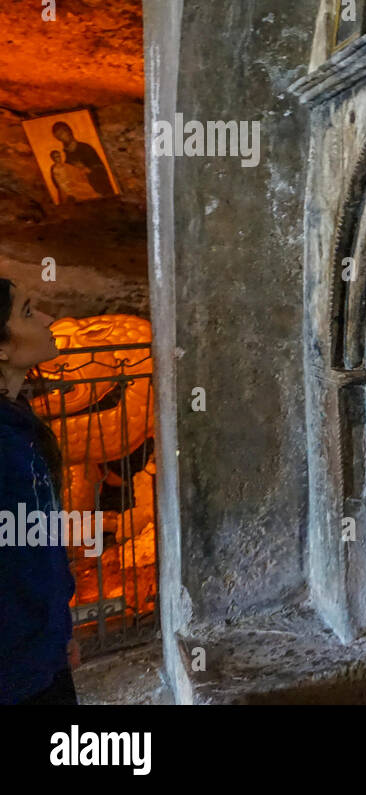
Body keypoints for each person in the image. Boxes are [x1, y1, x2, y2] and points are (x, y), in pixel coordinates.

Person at [0, 279, 79, 705]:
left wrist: (60, 631)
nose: (50, 319)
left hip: (38, 652)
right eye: (28, 311)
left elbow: (37, 542)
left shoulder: (17, 422)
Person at [50, 122, 113, 199]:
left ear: (69, 131)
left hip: (96, 191)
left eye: (62, 133)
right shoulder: (65, 157)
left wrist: (87, 170)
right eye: (58, 136)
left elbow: (100, 169)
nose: (61, 138)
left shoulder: (86, 148)